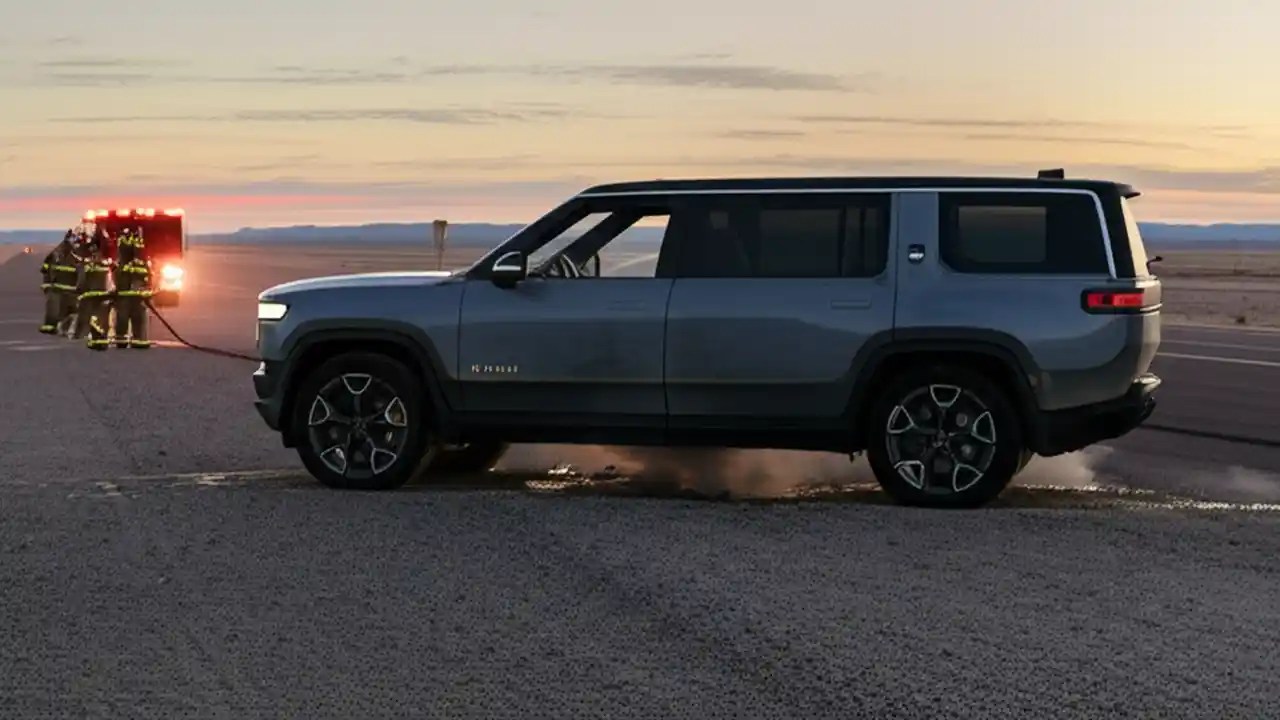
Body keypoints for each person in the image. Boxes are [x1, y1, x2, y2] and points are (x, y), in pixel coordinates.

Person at [112, 227, 153, 349]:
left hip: (132, 299)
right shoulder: (126, 265)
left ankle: (133, 340)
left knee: (132, 318)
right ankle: (126, 340)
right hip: (129, 298)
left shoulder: (129, 264)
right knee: (126, 319)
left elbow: (147, 279)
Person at [76, 235, 114, 351]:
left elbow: (82, 281)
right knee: (104, 319)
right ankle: (103, 341)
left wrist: (79, 290)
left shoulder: (89, 264)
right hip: (105, 295)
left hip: (92, 296)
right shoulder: (108, 263)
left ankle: (97, 341)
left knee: (93, 319)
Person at [39, 231, 77, 334]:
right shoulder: (57, 255)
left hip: (66, 289)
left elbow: (44, 269)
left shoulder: (56, 254)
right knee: (57, 310)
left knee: (67, 311)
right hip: (60, 289)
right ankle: (52, 327)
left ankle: (59, 327)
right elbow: (45, 269)